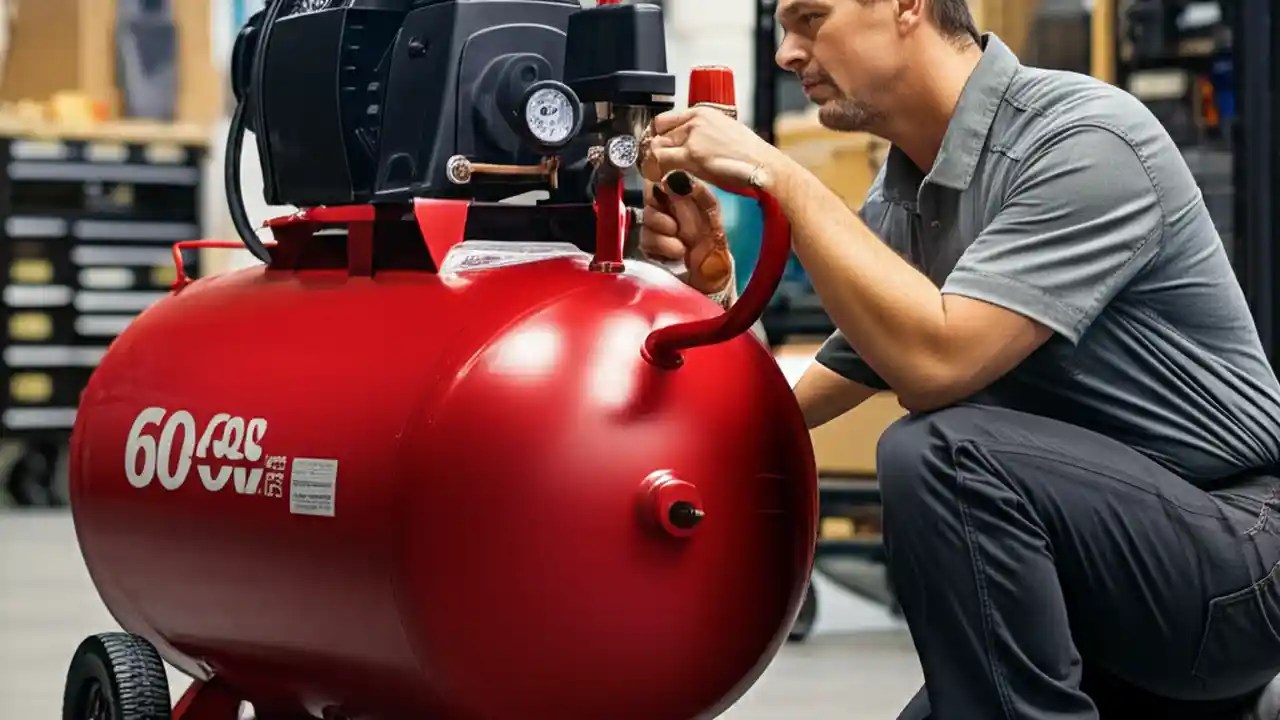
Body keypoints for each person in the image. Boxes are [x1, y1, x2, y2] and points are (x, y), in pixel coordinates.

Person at [637, 0, 1280, 718]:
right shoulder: (910, 193)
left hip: (1239, 562)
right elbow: (778, 412)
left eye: (811, 19)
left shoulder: (1084, 139)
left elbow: (937, 365)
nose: (789, 53)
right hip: (1100, 577)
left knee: (942, 455)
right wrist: (719, 289)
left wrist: (781, 179)